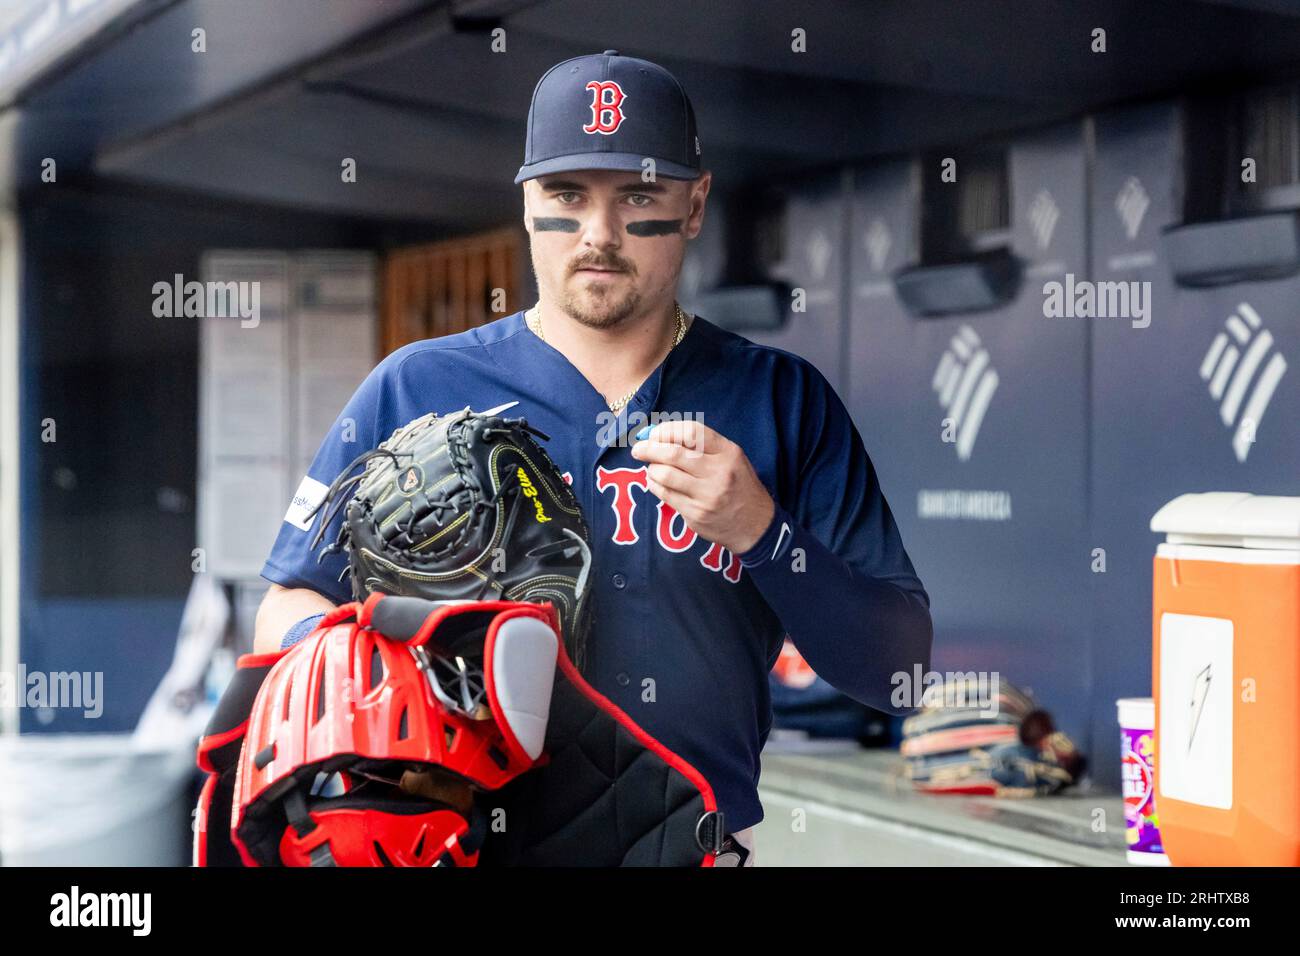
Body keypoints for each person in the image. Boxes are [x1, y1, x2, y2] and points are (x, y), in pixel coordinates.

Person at [254, 49, 933, 867]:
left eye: (638, 196)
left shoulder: (781, 399)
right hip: (465, 849)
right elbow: (288, 607)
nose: (599, 235)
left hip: (694, 850)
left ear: (694, 204)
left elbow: (901, 672)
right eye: (566, 196)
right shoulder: (420, 385)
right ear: (528, 201)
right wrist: (397, 657)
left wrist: (763, 532)